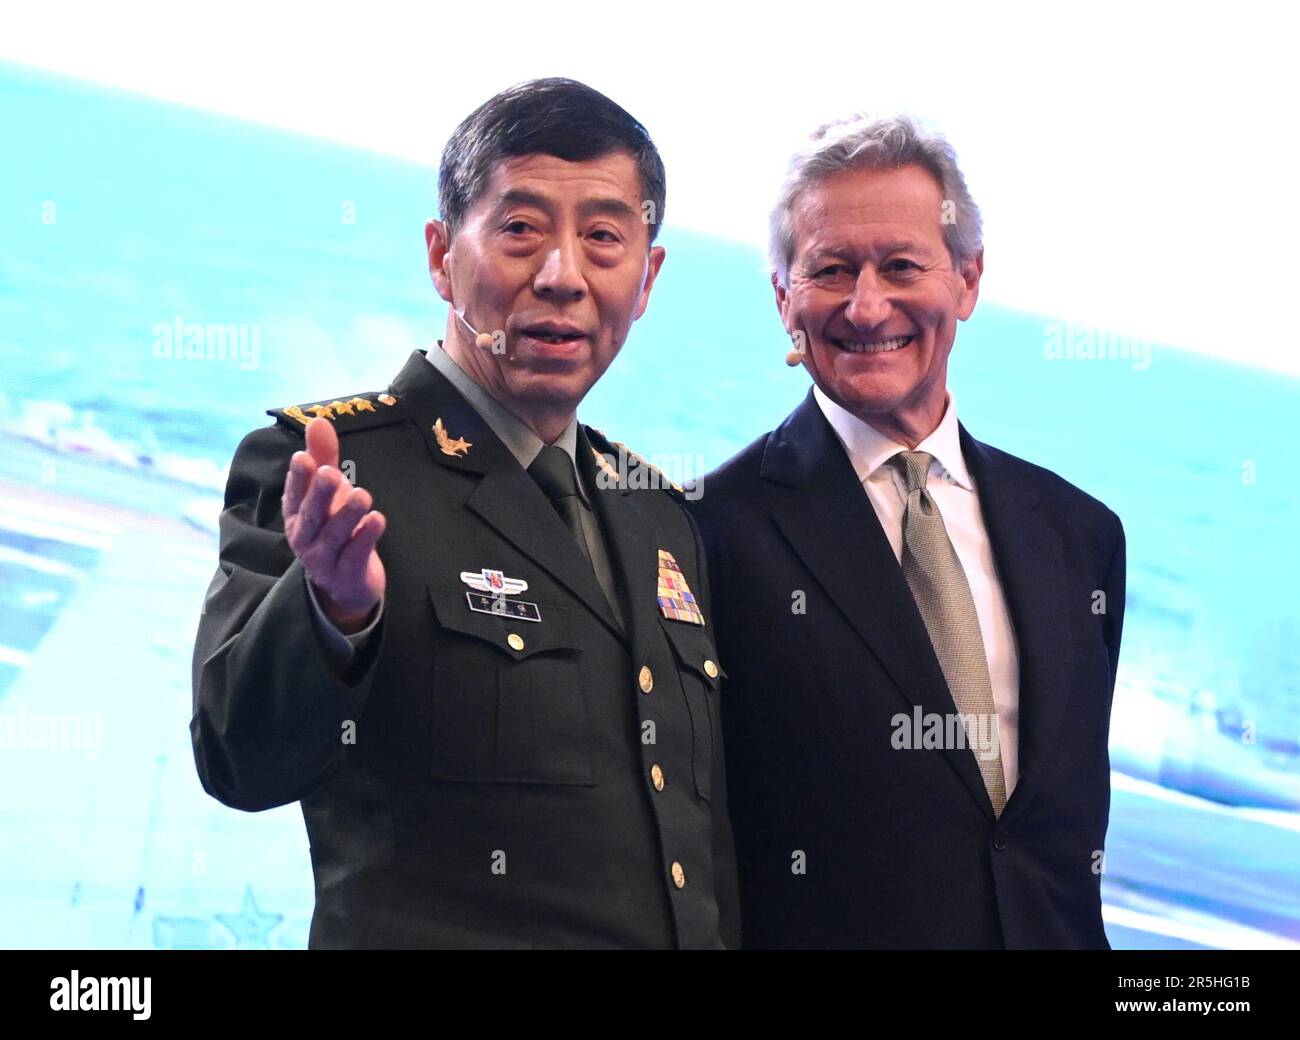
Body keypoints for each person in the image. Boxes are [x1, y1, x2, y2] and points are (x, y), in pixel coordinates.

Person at [191, 78, 739, 949]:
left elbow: (695, 856)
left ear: (647, 278)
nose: (562, 276)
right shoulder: (334, 468)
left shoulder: (660, 514)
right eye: (521, 229)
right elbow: (237, 760)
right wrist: (331, 613)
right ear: (442, 255)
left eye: (604, 238)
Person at [688, 115, 1125, 949]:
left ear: (967, 279)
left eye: (900, 266)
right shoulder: (709, 532)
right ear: (784, 298)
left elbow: (1053, 841)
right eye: (830, 270)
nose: (866, 305)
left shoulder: (1081, 537)